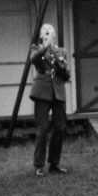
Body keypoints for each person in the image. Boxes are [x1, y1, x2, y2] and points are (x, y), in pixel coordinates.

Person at [29, 23, 70, 176]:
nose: (46, 34)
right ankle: (38, 165)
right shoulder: (36, 49)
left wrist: (62, 67)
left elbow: (66, 76)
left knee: (60, 127)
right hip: (42, 91)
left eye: (49, 32)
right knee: (43, 128)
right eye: (43, 32)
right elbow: (34, 59)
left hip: (57, 91)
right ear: (41, 36)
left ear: (54, 35)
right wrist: (45, 47)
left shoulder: (61, 51)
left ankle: (54, 163)